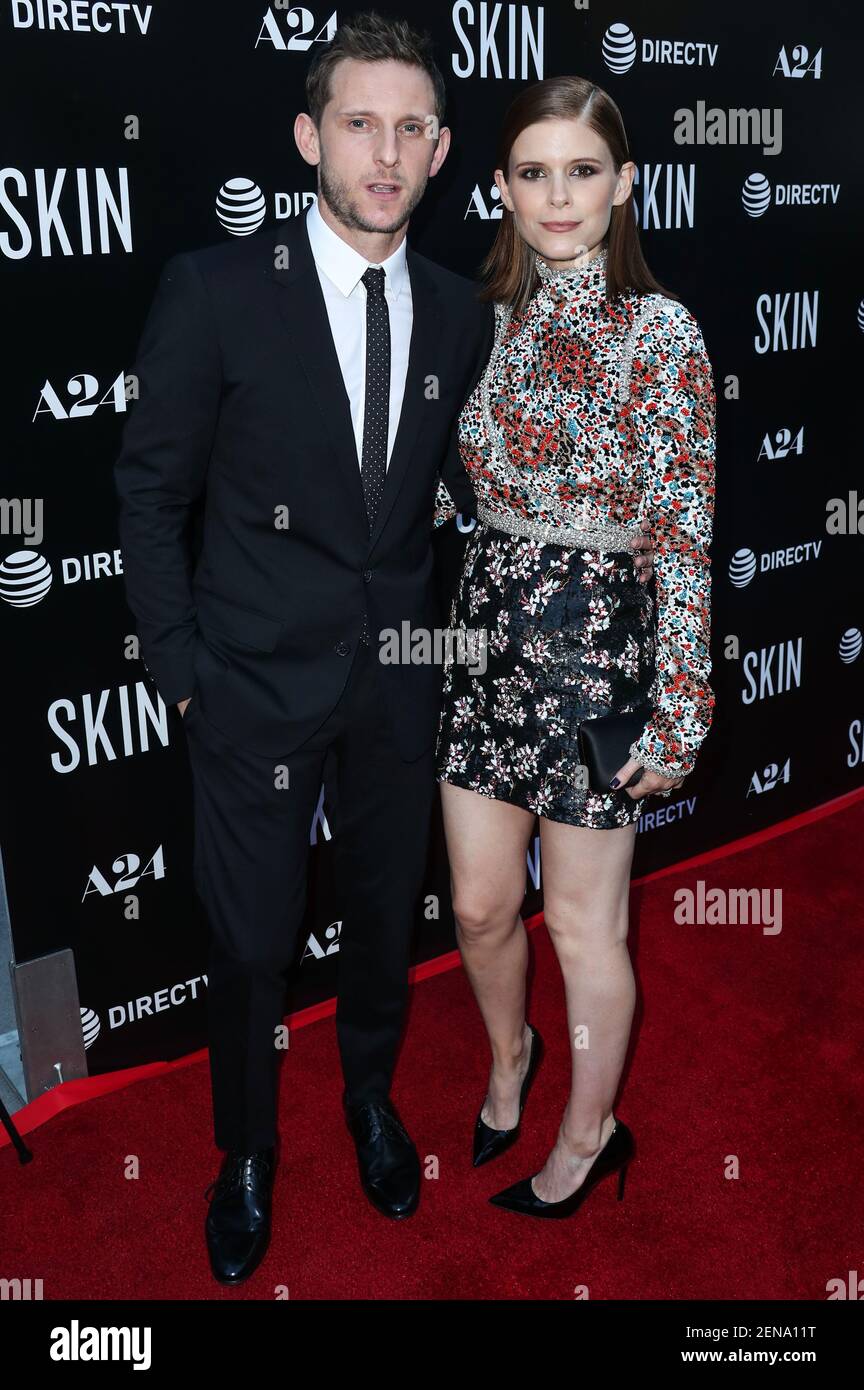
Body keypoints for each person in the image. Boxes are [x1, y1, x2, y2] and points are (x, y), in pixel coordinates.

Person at [114, 15, 656, 1283]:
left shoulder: (464, 314)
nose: (385, 149)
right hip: (245, 686)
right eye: (359, 121)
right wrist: (185, 678)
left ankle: (369, 1102)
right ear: (311, 138)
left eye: (411, 126)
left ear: (441, 151)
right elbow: (147, 497)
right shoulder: (214, 291)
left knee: (375, 924)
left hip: (401, 684)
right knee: (249, 946)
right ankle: (244, 1155)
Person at [434, 76, 716, 1218]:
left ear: (624, 183)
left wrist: (680, 702)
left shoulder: (658, 330)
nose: (557, 196)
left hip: (599, 651)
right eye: (533, 172)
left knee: (579, 923)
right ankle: (510, 1057)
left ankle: (589, 1131)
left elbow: (685, 529)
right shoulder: (474, 317)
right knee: (477, 905)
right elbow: (455, 486)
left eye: (582, 171)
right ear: (499, 187)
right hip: (483, 635)